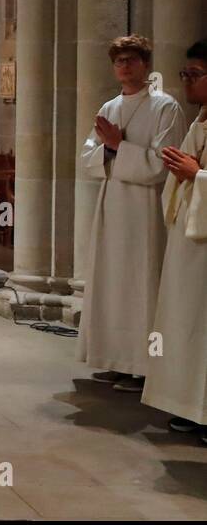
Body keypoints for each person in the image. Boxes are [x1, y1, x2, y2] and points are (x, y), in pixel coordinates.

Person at [75, 35, 188, 393]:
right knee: (113, 282)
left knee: (142, 283)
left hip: (146, 211)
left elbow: (160, 165)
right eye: (119, 61)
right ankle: (117, 360)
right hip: (113, 206)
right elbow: (87, 160)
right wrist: (111, 150)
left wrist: (117, 147)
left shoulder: (165, 107)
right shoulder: (108, 108)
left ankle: (145, 366)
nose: (124, 67)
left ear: (145, 64)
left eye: (131, 60)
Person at [142, 40, 207, 436]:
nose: (186, 82)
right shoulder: (200, 121)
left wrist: (196, 175)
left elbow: (192, 172)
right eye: (184, 74)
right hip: (190, 239)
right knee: (186, 323)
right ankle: (190, 402)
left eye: (194, 75)